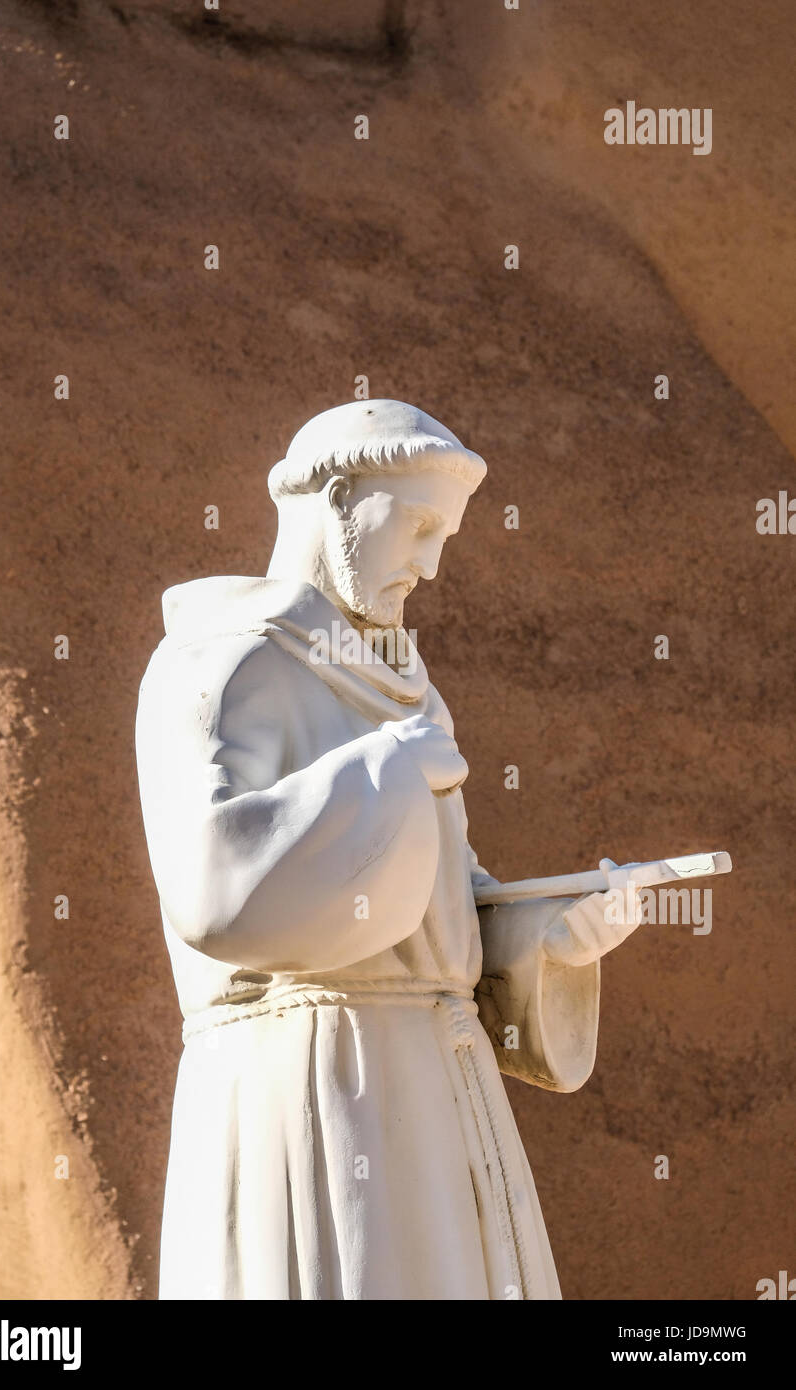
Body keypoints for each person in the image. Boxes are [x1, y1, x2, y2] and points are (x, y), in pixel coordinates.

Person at [135, 399, 640, 1300]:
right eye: (417, 526)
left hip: (436, 1090)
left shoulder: (402, 687)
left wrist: (551, 936)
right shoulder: (224, 664)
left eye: (443, 535)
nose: (432, 564)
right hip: (314, 1081)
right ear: (337, 499)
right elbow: (214, 893)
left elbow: (441, 910)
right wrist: (390, 770)